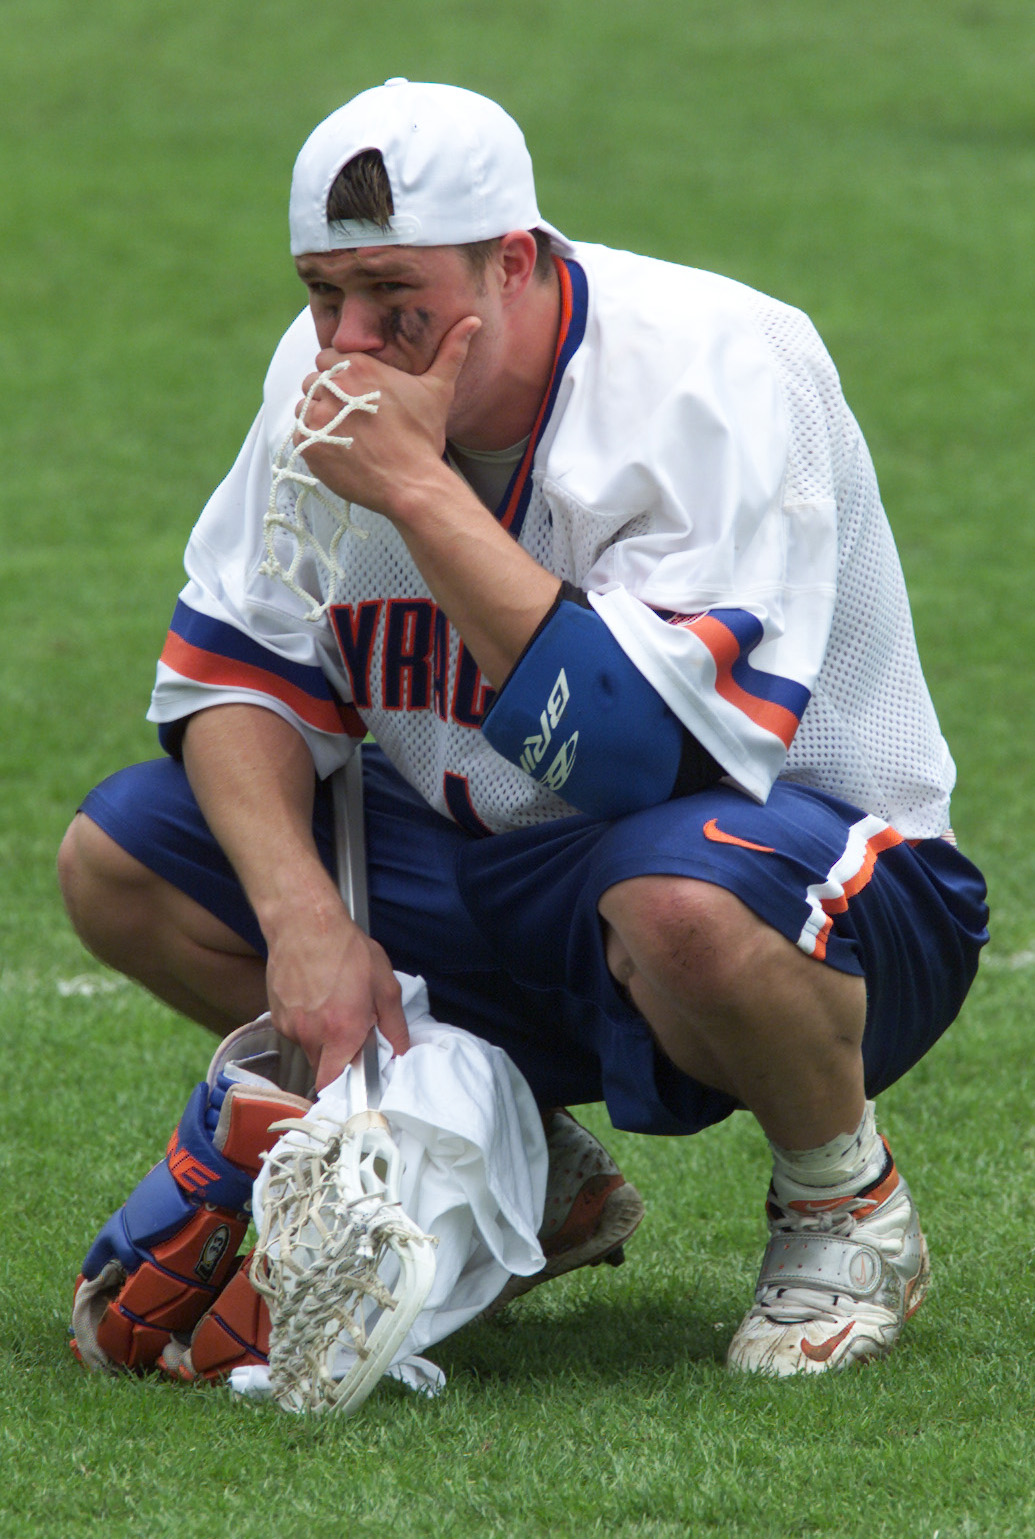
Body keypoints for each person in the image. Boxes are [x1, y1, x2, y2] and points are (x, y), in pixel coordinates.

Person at [59, 78, 988, 1378]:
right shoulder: (320, 372)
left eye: (397, 301)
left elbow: (627, 760)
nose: (351, 345)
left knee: (676, 900)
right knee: (127, 859)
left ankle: (844, 1203)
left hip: (815, 887)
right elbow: (235, 672)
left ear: (515, 262)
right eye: (324, 297)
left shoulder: (716, 367)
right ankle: (529, 1170)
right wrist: (307, 926)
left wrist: (417, 494)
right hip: (501, 861)